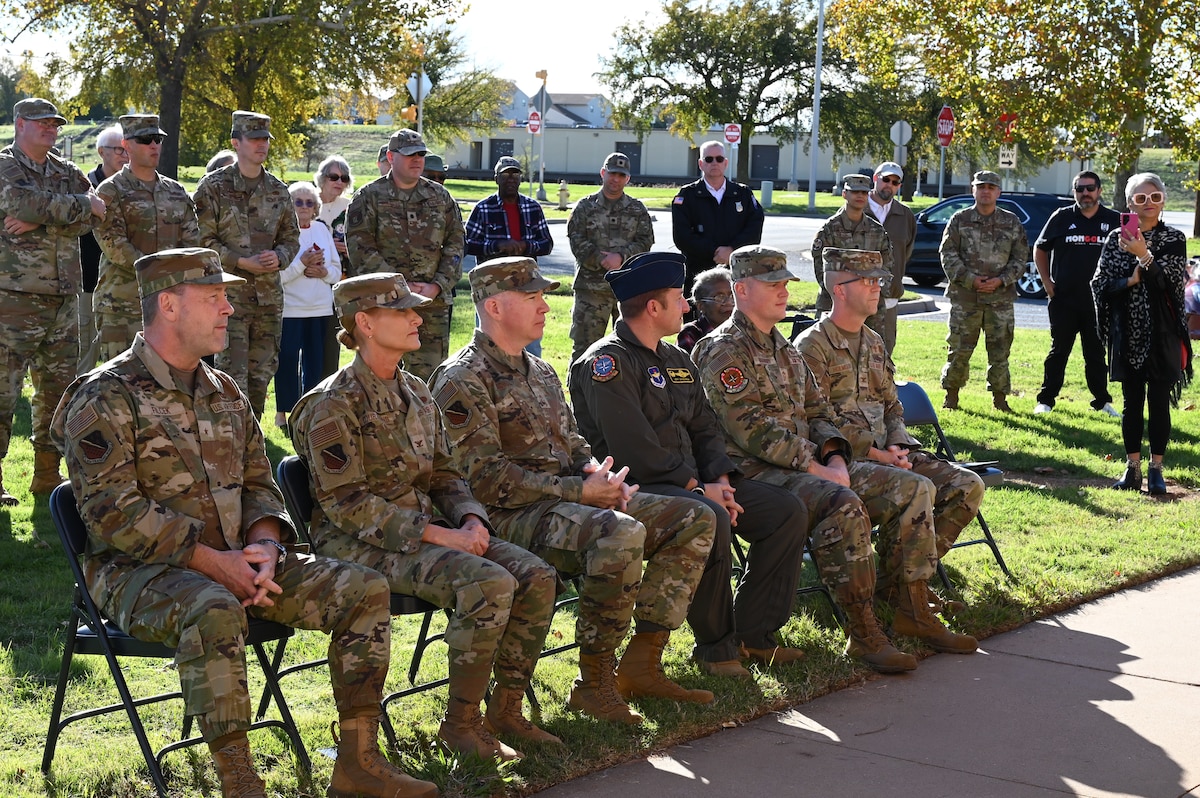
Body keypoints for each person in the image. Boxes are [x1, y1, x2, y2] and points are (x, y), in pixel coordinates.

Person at [50, 247, 437, 798]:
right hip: (137, 572)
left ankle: (358, 762)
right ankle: (239, 780)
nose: (229, 308)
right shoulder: (105, 396)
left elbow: (259, 482)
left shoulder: (224, 391)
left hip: (241, 562)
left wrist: (264, 546)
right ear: (169, 305)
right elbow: (112, 514)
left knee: (363, 588)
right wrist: (214, 563)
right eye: (214, 297)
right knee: (213, 607)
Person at [430, 257, 719, 724]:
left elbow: (574, 442)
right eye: (532, 297)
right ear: (495, 307)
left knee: (693, 517)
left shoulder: (540, 371)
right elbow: (485, 480)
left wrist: (595, 474)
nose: (545, 306)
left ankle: (642, 662)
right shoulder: (463, 378)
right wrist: (579, 492)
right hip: (504, 516)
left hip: (562, 503)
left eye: (543, 297)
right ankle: (594, 682)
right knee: (618, 533)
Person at [289, 273, 556, 760]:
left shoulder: (414, 389)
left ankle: (506, 709)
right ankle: (461, 725)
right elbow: (347, 504)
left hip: (427, 532)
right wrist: (438, 535)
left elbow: (446, 473)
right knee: (489, 582)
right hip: (360, 543)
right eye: (403, 311)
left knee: (536, 575)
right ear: (365, 323)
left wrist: (471, 519)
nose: (418, 318)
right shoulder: (331, 403)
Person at [693, 245, 975, 668]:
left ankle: (910, 606)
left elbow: (819, 412)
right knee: (841, 503)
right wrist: (816, 466)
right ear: (742, 290)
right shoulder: (723, 350)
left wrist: (836, 459)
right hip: (756, 473)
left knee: (912, 488)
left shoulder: (783, 349)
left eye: (786, 283)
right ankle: (862, 631)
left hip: (810, 466)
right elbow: (750, 429)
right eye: (772, 284)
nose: (784, 291)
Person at [571, 251, 812, 675]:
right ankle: (716, 649)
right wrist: (698, 488)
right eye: (679, 298)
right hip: (640, 487)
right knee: (710, 516)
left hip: (695, 482)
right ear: (653, 308)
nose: (687, 306)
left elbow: (706, 427)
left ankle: (754, 634)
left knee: (785, 511)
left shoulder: (676, 359)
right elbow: (633, 449)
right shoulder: (606, 363)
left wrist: (718, 479)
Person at [795, 247, 985, 612]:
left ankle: (899, 584)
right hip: (845, 462)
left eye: (878, 281)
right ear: (840, 289)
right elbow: (815, 419)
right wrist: (877, 453)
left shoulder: (874, 342)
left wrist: (898, 444)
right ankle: (909, 596)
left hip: (889, 455)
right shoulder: (812, 347)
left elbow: (892, 406)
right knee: (916, 488)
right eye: (867, 281)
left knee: (966, 485)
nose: (877, 287)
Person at [0, 98, 106, 503]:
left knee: (58, 392)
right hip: (13, 300)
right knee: (4, 392)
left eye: (54, 123)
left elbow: (95, 213)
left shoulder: (66, 170)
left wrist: (41, 219)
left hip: (63, 298)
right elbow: (20, 202)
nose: (50, 128)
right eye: (41, 122)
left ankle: (47, 475)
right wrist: (74, 208)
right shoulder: (6, 165)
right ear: (20, 124)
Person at [192, 111, 300, 418]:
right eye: (254, 139)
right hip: (228, 299)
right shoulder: (213, 187)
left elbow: (291, 238)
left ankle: (252, 436)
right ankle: (228, 434)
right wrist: (239, 261)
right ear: (235, 143)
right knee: (230, 374)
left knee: (261, 375)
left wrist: (279, 257)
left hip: (268, 299)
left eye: (265, 139)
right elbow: (200, 238)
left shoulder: (278, 189)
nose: (261, 144)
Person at [1093, 173, 1193, 495]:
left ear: (1163, 201)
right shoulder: (1115, 239)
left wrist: (1142, 253)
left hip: (1163, 332)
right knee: (1131, 402)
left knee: (1159, 402)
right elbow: (1100, 284)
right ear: (1129, 204)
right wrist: (1130, 281)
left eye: (1155, 197)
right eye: (1140, 198)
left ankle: (1156, 469)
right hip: (1128, 332)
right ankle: (1132, 468)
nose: (1148, 203)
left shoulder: (1174, 238)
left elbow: (1168, 282)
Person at [344, 129, 464, 381]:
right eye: (410, 154)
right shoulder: (368, 197)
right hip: (384, 306)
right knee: (380, 377)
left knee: (430, 379)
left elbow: (456, 245)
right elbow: (360, 249)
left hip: (431, 305)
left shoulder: (440, 197)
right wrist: (399, 287)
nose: (417, 160)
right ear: (391, 157)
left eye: (421, 154)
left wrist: (438, 285)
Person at [94, 114, 200, 362]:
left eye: (157, 139)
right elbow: (115, 245)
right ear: (126, 145)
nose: (154, 145)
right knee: (122, 380)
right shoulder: (110, 190)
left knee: (169, 376)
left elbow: (192, 243)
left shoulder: (176, 192)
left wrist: (174, 277)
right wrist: (160, 273)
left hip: (169, 307)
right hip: (123, 306)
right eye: (145, 140)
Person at [1032, 171, 1121, 416]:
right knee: (1059, 351)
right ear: (1074, 192)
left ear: (1099, 191)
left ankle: (1102, 401)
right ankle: (1045, 400)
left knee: (1096, 353)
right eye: (1080, 189)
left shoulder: (1114, 219)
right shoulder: (1061, 217)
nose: (1085, 193)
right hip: (1064, 299)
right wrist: (1047, 282)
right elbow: (1040, 248)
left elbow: (1129, 251)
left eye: (1090, 188)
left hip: (1100, 302)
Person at [939, 170, 1028, 412]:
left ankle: (1000, 399)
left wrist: (1001, 280)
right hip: (965, 298)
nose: (985, 191)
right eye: (981, 187)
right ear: (973, 190)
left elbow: (1020, 258)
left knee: (1000, 352)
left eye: (990, 187)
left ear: (998, 192)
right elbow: (947, 254)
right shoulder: (959, 219)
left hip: (1000, 299)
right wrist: (970, 280)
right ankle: (951, 397)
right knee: (959, 349)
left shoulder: (1011, 223)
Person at [566, 152, 654, 362]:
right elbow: (576, 239)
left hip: (628, 291)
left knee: (632, 349)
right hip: (591, 291)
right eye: (612, 173)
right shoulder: (585, 207)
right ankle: (580, 385)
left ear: (628, 178)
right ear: (603, 173)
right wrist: (601, 259)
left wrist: (621, 257)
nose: (616, 179)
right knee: (584, 351)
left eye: (621, 175)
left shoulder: (637, 209)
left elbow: (645, 241)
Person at [464, 156, 555, 356]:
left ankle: (531, 373)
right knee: (489, 341)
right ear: (496, 178)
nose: (511, 179)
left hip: (527, 285)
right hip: (493, 287)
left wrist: (526, 246)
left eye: (515, 174)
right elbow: (467, 243)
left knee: (530, 343)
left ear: (521, 178)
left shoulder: (533, 207)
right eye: (505, 175)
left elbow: (547, 244)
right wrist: (496, 246)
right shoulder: (483, 208)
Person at [274, 182, 340, 431]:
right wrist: (302, 263)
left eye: (309, 202)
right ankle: (283, 413)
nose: (304, 206)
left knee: (315, 363)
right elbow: (278, 275)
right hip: (291, 309)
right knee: (286, 360)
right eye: (298, 202)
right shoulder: (281, 232)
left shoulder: (322, 229)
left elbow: (336, 271)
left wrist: (323, 272)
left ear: (316, 207)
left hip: (321, 308)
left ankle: (311, 410)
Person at [671, 140, 764, 296]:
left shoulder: (743, 194)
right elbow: (682, 236)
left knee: (737, 311)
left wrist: (732, 250)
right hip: (698, 275)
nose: (714, 163)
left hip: (737, 273)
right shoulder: (687, 196)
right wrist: (714, 251)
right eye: (709, 159)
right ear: (701, 164)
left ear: (725, 163)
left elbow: (754, 228)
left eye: (719, 159)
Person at [810, 174, 893, 335]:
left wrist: (876, 291)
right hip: (834, 304)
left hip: (869, 307)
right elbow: (821, 270)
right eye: (855, 192)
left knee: (872, 347)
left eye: (864, 192)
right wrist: (845, 294)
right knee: (829, 346)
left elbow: (887, 265)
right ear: (844, 194)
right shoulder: (829, 229)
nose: (860, 196)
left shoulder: (877, 230)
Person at [78, 124, 128, 374]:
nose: (124, 155)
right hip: (88, 286)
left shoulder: (131, 187)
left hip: (122, 289)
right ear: (101, 152)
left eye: (127, 149)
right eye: (118, 150)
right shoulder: (83, 186)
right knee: (84, 357)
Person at [866, 161, 917, 354]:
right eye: (885, 179)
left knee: (884, 352)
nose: (889, 185)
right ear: (875, 178)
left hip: (889, 297)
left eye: (895, 182)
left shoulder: (905, 215)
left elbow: (906, 251)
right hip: (857, 296)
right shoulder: (857, 209)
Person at [315, 155, 355, 377]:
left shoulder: (350, 207)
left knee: (332, 336)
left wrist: (348, 248)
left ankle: (328, 380)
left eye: (344, 178)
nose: (339, 182)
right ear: (322, 178)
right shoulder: (308, 201)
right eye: (334, 177)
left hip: (338, 279)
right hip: (309, 278)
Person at [676, 266, 734, 353]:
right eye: (719, 297)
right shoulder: (691, 333)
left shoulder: (743, 329)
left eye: (732, 296)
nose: (729, 302)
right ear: (701, 306)